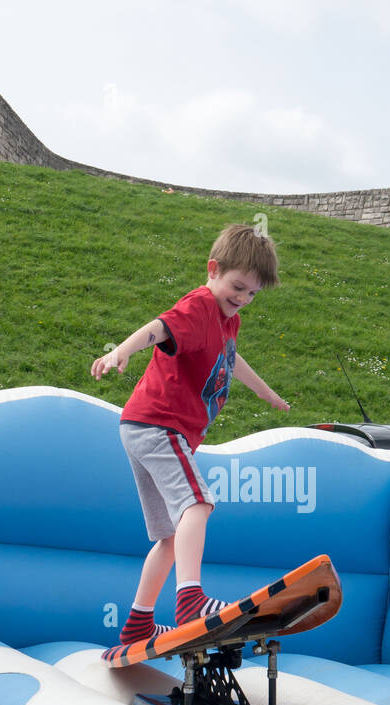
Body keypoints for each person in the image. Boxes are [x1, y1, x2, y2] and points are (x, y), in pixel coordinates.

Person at [90, 223, 289, 643]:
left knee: (168, 537)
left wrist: (267, 393)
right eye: (238, 287)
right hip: (160, 424)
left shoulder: (226, 321)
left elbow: (233, 361)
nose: (243, 299)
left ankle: (139, 623)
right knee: (197, 504)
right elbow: (160, 327)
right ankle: (191, 599)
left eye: (252, 294)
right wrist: (121, 351)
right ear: (213, 270)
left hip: (142, 427)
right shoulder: (200, 306)